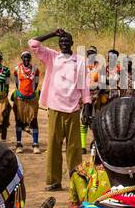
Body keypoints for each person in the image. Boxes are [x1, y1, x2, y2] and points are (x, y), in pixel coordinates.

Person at [27, 29, 90, 192]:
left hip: (74, 108)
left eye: (66, 41)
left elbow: (84, 84)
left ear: (72, 43)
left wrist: (87, 104)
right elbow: (33, 43)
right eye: (61, 41)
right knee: (54, 145)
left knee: (75, 148)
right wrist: (53, 33)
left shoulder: (80, 60)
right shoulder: (52, 57)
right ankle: (54, 181)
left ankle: (77, 181)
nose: (63, 44)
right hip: (55, 107)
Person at [12, 49, 41, 153]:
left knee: (34, 121)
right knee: (19, 121)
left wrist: (32, 92)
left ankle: (35, 145)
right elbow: (16, 83)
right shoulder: (17, 69)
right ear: (21, 58)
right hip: (20, 99)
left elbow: (36, 83)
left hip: (32, 99)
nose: (26, 59)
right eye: (24, 57)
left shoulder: (36, 69)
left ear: (30, 58)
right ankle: (19, 144)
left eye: (28, 57)